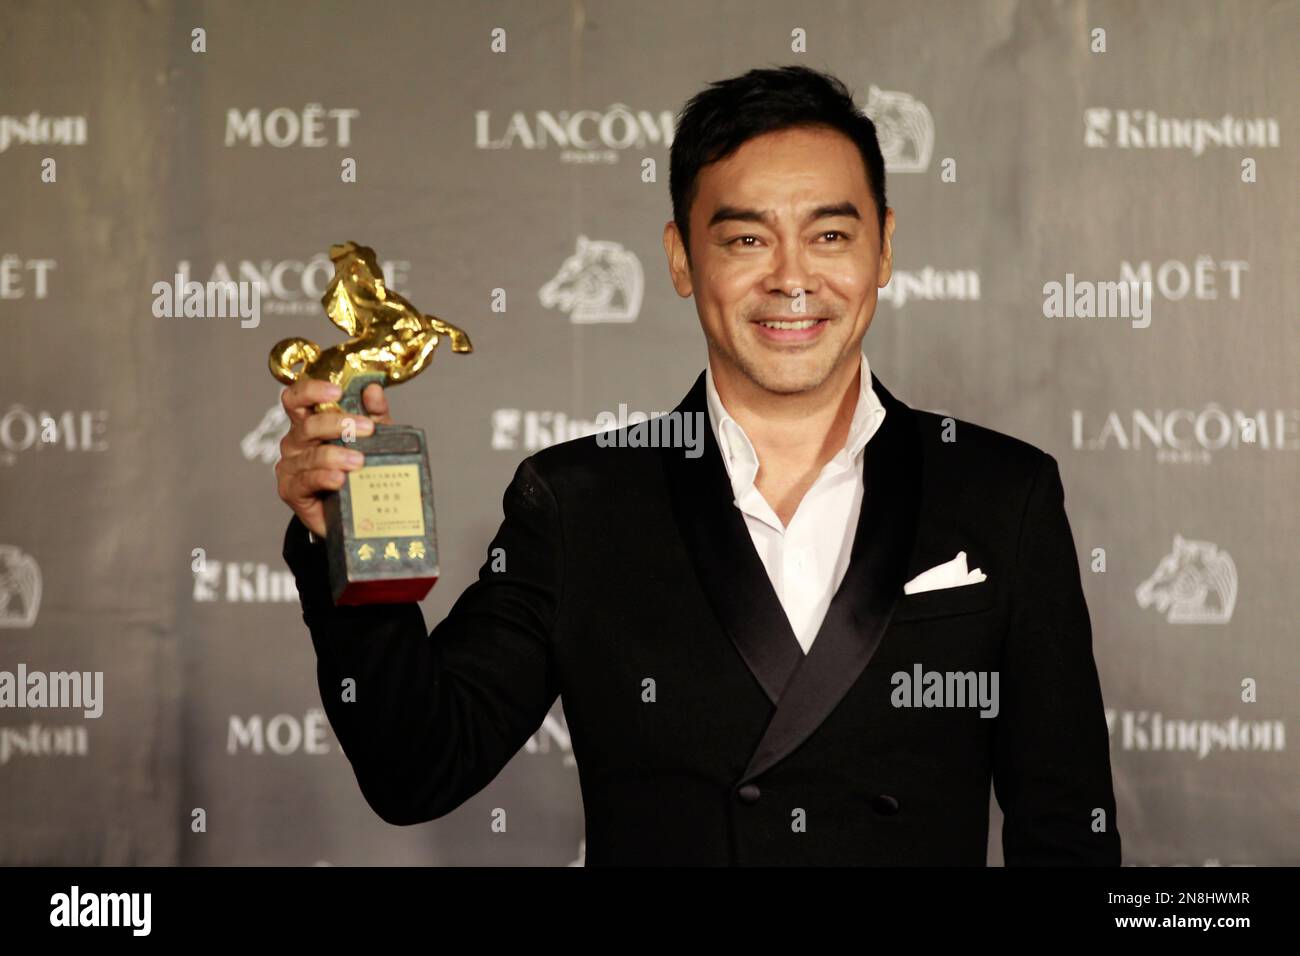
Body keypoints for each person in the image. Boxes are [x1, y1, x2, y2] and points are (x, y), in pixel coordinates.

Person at [276, 65, 1121, 865]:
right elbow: (418, 769)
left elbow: (1066, 830)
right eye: (747, 238)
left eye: (830, 233)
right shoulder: (579, 504)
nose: (793, 278)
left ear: (884, 249)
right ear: (681, 258)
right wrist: (340, 537)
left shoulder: (1002, 492)